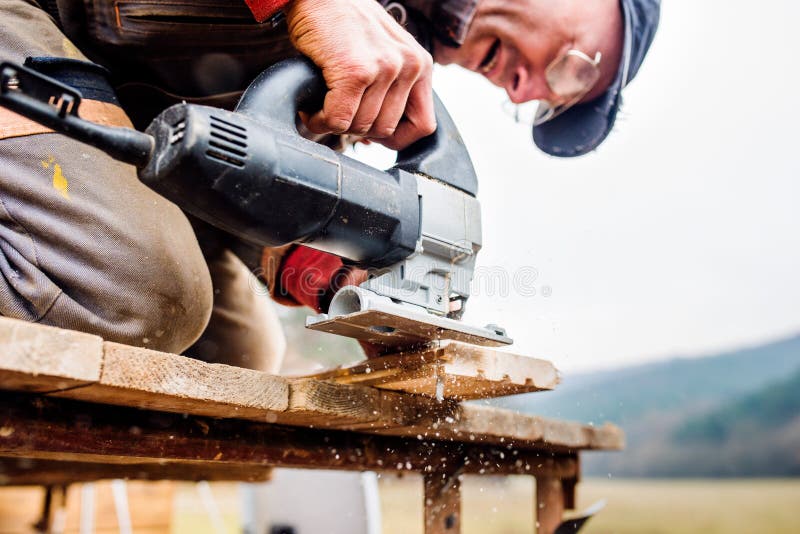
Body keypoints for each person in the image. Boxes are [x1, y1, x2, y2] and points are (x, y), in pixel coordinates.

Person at [0, 0, 659, 371]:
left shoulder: (376, 52)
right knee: (144, 293)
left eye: (549, 104)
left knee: (239, 355)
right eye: (578, 68)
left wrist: (320, 264)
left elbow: (230, 152)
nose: (529, 89)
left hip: (112, 90)